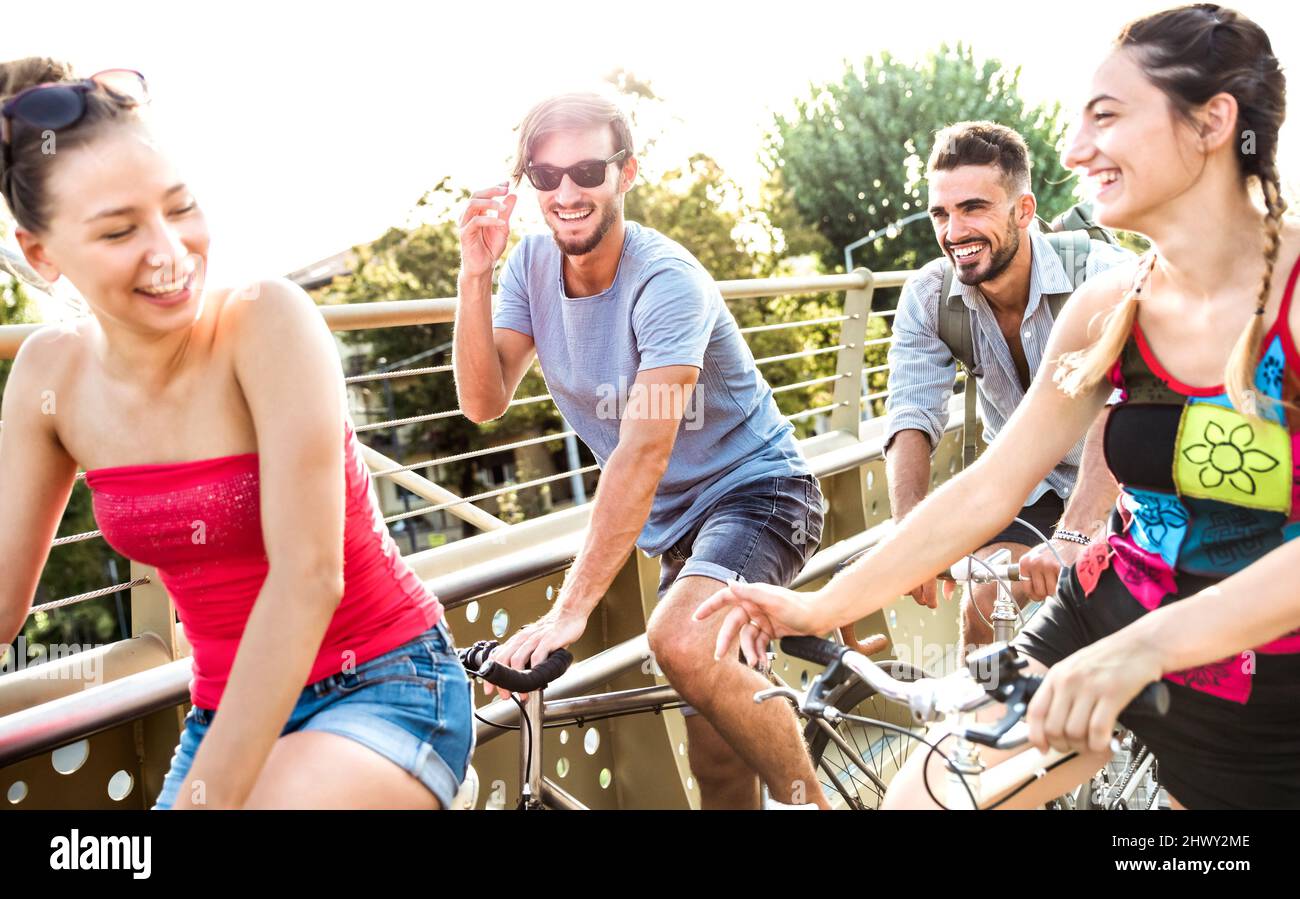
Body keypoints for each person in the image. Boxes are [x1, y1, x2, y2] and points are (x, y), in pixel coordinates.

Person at [696, 3, 1300, 810]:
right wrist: (821, 600)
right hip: (1102, 617)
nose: (1077, 149)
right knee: (921, 800)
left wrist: (1143, 651)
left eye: (1106, 118)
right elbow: (988, 487)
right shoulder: (1108, 305)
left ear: (1212, 122)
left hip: (1263, 694)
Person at [0, 59, 473, 809]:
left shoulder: (267, 321)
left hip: (387, 683)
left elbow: (310, 576)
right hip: (227, 714)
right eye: (120, 230)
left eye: (180, 208)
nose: (169, 251)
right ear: (40, 253)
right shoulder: (47, 378)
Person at [453, 93, 827, 808]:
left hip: (759, 494)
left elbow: (643, 450)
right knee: (717, 764)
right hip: (680, 529)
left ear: (626, 175)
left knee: (681, 640)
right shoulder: (529, 267)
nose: (567, 192)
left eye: (588, 170)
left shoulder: (667, 283)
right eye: (546, 175)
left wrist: (569, 609)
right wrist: (474, 273)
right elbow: (483, 398)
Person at [886, 121, 1129, 651]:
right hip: (1030, 487)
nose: (953, 233)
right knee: (982, 598)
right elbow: (911, 414)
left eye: (974, 208)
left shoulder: (1102, 275)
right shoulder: (929, 298)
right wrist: (911, 540)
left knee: (1113, 624)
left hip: (1121, 480)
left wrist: (1076, 533)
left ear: (1024, 210)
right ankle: (985, 728)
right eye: (941, 214)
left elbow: (1126, 405)